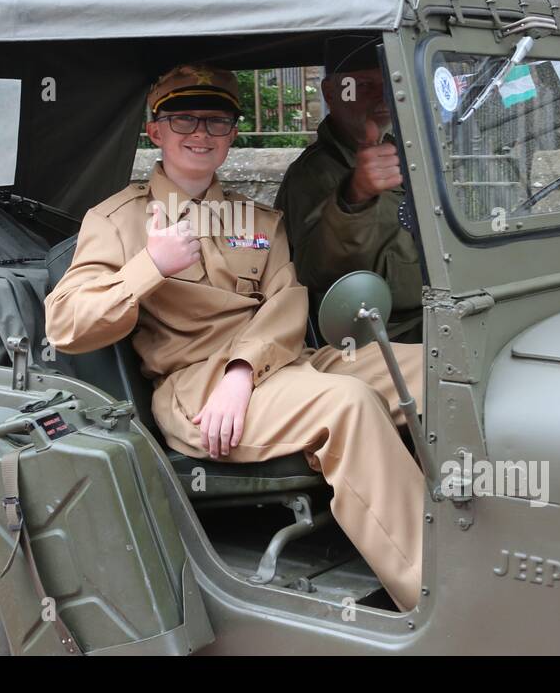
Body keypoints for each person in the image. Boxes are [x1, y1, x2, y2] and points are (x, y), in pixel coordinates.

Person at [45, 64, 427, 610]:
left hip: (275, 367)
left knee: (438, 371)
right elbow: (66, 324)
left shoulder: (258, 220)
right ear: (156, 132)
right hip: (196, 391)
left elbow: (287, 301)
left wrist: (243, 370)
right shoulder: (119, 221)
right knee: (347, 405)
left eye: (217, 121)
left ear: (232, 135)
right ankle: (437, 597)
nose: (201, 133)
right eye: (184, 120)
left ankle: (487, 535)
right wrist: (150, 264)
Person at [276, 35, 424, 342]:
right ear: (331, 92)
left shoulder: (403, 153)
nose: (381, 97)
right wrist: (354, 196)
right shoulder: (314, 174)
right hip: (376, 336)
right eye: (363, 86)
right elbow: (313, 269)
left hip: (429, 318)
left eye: (387, 83)